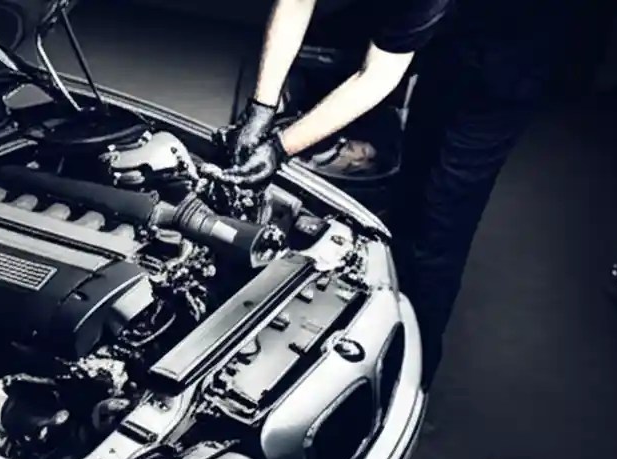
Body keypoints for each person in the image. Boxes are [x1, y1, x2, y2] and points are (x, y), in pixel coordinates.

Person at [218, 0, 583, 388]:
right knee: (411, 186)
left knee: (441, 223)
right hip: (451, 41)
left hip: (511, 55)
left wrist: (279, 148)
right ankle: (380, 311)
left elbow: (377, 76)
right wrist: (261, 108)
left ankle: (408, 380)